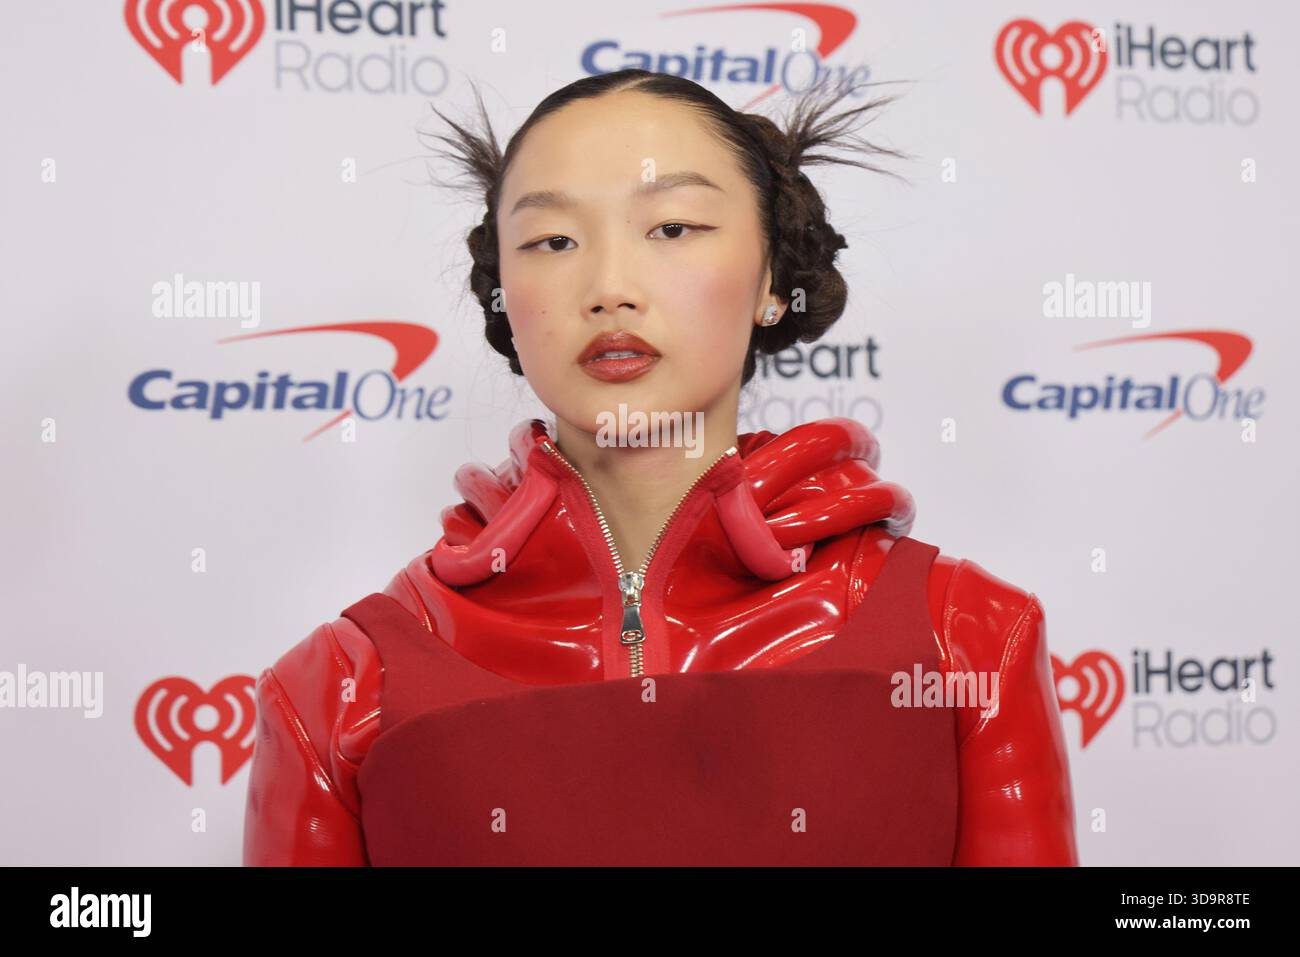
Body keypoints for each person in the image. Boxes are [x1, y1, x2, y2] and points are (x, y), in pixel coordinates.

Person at [242, 69, 1078, 866]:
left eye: (672, 227)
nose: (610, 286)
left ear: (772, 279)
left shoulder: (969, 638)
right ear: (503, 294)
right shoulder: (339, 686)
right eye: (553, 239)